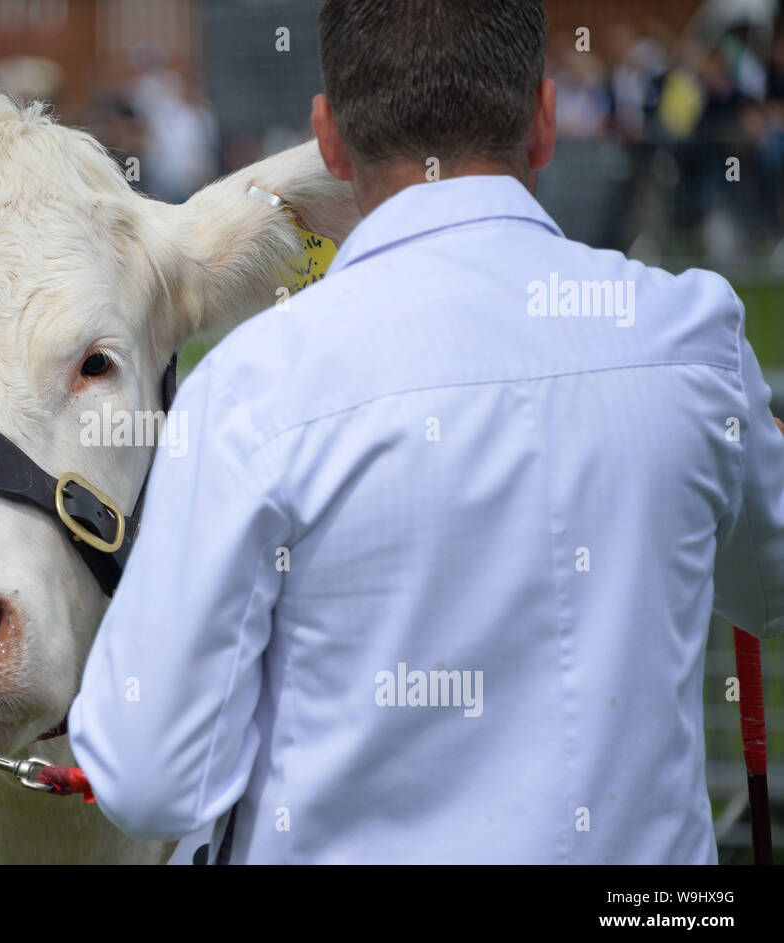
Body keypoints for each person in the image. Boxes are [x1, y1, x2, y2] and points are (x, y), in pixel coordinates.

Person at [66, 0, 784, 863]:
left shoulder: (251, 389)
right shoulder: (693, 333)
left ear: (328, 142)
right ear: (546, 121)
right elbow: (767, 587)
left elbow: (151, 780)